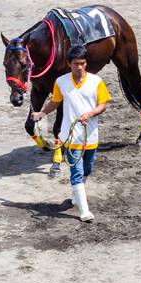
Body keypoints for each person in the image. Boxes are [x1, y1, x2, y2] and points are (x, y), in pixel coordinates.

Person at [33, 44, 110, 222]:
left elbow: (103, 104)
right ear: (69, 63)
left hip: (90, 134)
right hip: (70, 135)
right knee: (76, 170)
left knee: (88, 168)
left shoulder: (96, 82)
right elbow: (55, 102)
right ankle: (84, 211)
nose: (80, 67)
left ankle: (77, 196)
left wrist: (91, 114)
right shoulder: (61, 82)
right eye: (76, 63)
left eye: (82, 63)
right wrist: (42, 113)